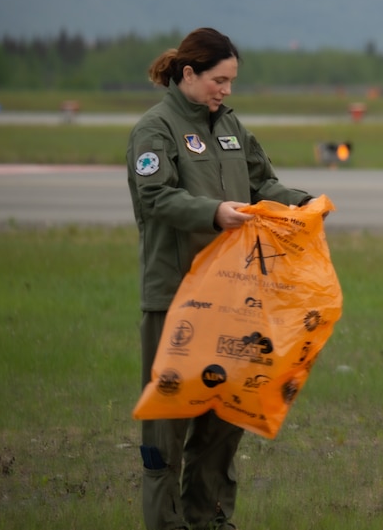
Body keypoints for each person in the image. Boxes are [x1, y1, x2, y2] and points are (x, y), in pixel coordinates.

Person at [127, 27, 316, 530]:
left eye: (231, 82)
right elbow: (155, 196)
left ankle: (209, 518)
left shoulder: (230, 126)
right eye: (219, 81)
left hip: (234, 298)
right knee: (167, 423)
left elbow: (263, 181)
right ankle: (165, 522)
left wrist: (302, 203)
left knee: (225, 415)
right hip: (175, 298)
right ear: (188, 74)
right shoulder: (155, 130)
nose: (226, 91)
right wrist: (214, 213)